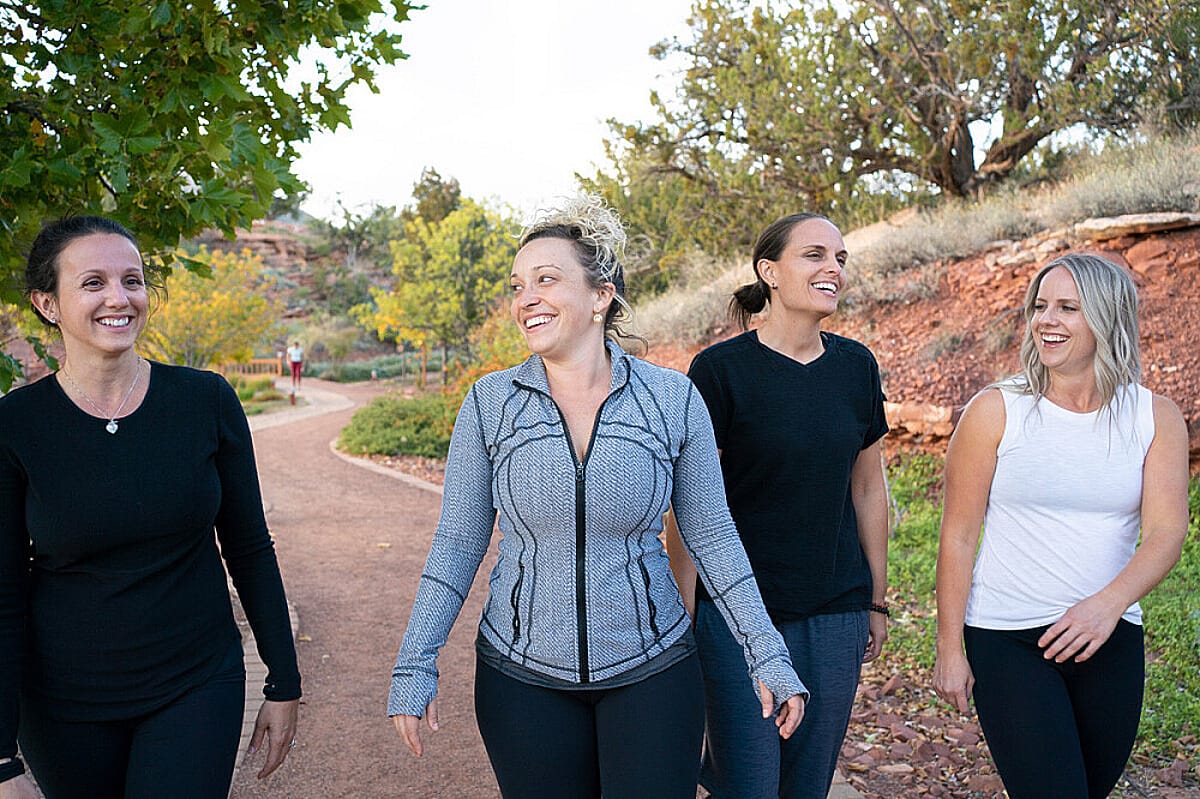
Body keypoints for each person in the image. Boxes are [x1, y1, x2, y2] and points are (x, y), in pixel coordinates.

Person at [387, 196, 806, 799]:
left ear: (600, 296)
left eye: (546, 280)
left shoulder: (672, 399)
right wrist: (414, 663)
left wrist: (767, 654)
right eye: (517, 286)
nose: (525, 298)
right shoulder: (489, 403)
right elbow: (457, 543)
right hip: (520, 676)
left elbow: (712, 537)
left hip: (653, 669)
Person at [0, 216, 302, 799]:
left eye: (132, 280)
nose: (119, 298)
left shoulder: (205, 401)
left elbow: (248, 546)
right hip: (63, 701)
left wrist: (284, 681)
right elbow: (4, 591)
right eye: (93, 283)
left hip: (195, 681)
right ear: (47, 303)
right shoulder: (16, 426)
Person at [933, 254, 1188, 799]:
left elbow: (1167, 532)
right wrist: (949, 648)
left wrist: (1107, 605)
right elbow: (957, 536)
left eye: (1067, 308)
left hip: (1110, 639)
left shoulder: (1155, 416)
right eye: (1040, 306)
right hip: (1007, 640)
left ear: (1107, 317)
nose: (1046, 319)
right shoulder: (996, 411)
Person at [665, 212, 891, 798]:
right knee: (748, 783)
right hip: (739, 612)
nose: (833, 268)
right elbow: (689, 504)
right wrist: (683, 611)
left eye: (840, 258)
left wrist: (876, 599)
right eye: (814, 255)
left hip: (836, 609)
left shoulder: (856, 367)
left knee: (808, 782)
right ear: (769, 271)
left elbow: (868, 488)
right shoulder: (718, 372)